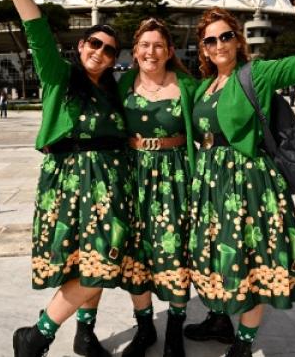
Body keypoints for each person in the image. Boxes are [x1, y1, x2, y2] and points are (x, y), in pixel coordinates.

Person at [0, 0, 131, 357]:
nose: (100, 51)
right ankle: (39, 335)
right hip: (68, 182)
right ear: (81, 47)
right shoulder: (60, 77)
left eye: (109, 48)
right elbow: (37, 30)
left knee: (98, 262)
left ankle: (85, 332)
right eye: (94, 43)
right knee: (90, 264)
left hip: (110, 185)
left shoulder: (115, 94)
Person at [183, 0, 295, 357]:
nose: (218, 44)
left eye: (226, 36)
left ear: (238, 39)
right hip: (211, 185)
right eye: (210, 40)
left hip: (247, 185)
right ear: (203, 48)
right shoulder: (205, 86)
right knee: (215, 255)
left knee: (251, 258)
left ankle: (244, 344)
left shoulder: (256, 74)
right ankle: (219, 319)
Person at [117, 18, 200, 357]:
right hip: (134, 178)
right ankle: (145, 326)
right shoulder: (122, 84)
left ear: (169, 51)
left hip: (176, 177)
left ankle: (174, 331)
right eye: (144, 45)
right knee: (136, 254)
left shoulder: (187, 85)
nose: (151, 51)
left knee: (175, 251)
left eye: (158, 45)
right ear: (135, 51)